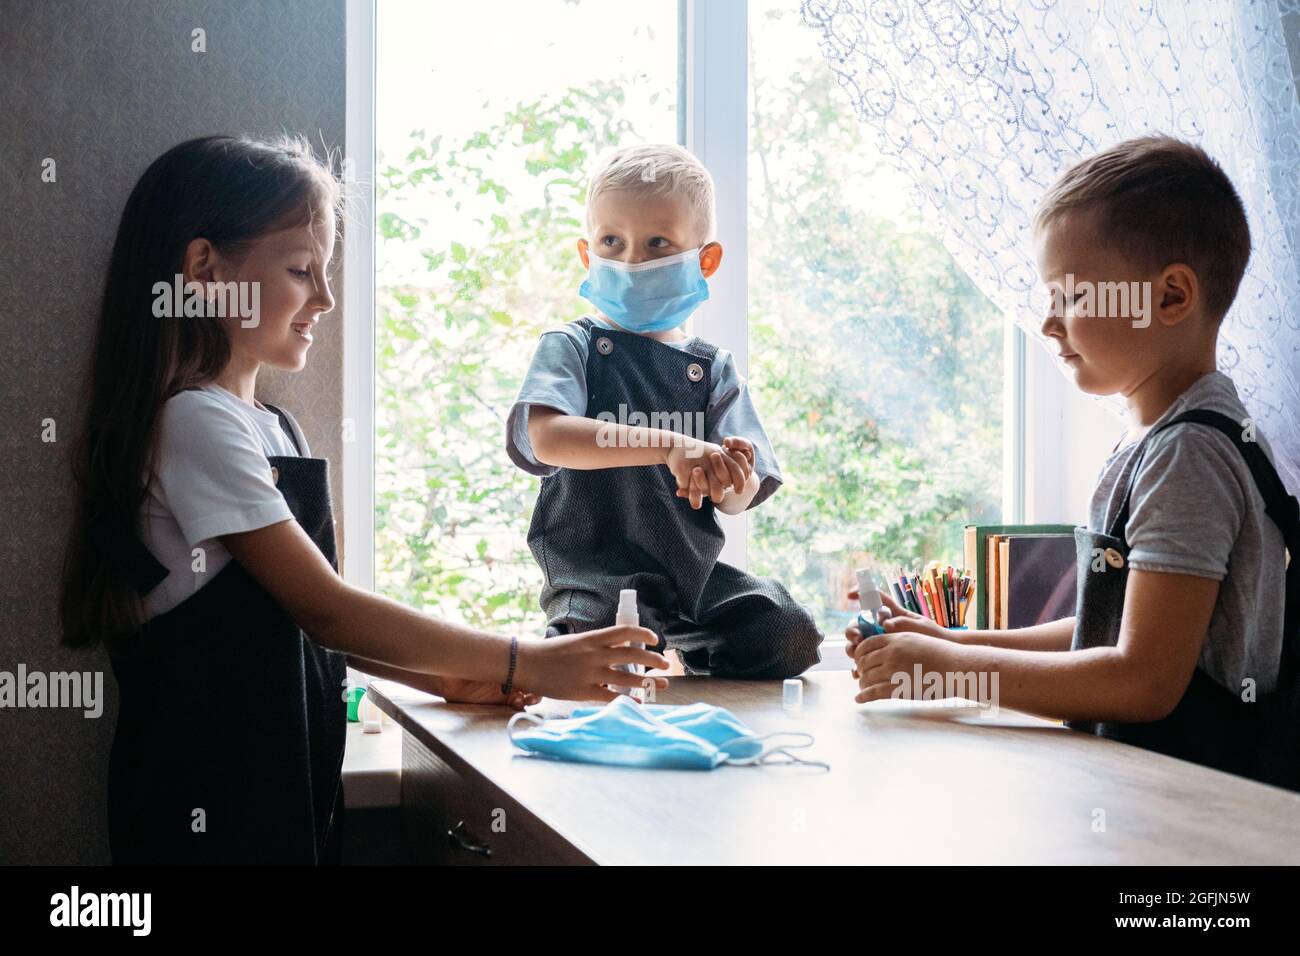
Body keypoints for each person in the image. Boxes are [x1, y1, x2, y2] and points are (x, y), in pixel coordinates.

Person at [59, 134, 668, 865]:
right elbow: (326, 607)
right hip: (208, 806)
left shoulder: (271, 427)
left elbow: (307, 624)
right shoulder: (195, 422)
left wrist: (439, 674)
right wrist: (526, 660)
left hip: (283, 795)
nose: (325, 297)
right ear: (203, 270)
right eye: (300, 269)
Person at [846, 135, 1299, 789]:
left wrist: (950, 671)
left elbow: (1143, 681)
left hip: (1193, 812)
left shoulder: (1187, 455)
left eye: (1073, 298)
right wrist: (954, 643)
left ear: (1171, 297)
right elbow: (1106, 631)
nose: (1050, 324)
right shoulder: (1162, 439)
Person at [506, 144, 823, 678]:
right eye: (613, 241)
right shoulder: (572, 346)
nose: (632, 260)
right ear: (588, 255)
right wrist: (671, 445)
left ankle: (686, 663)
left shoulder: (713, 370)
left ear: (705, 261)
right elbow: (548, 437)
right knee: (591, 651)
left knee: (787, 632)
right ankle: (585, 657)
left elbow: (740, 499)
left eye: (658, 243)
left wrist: (730, 475)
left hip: (690, 579)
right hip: (594, 577)